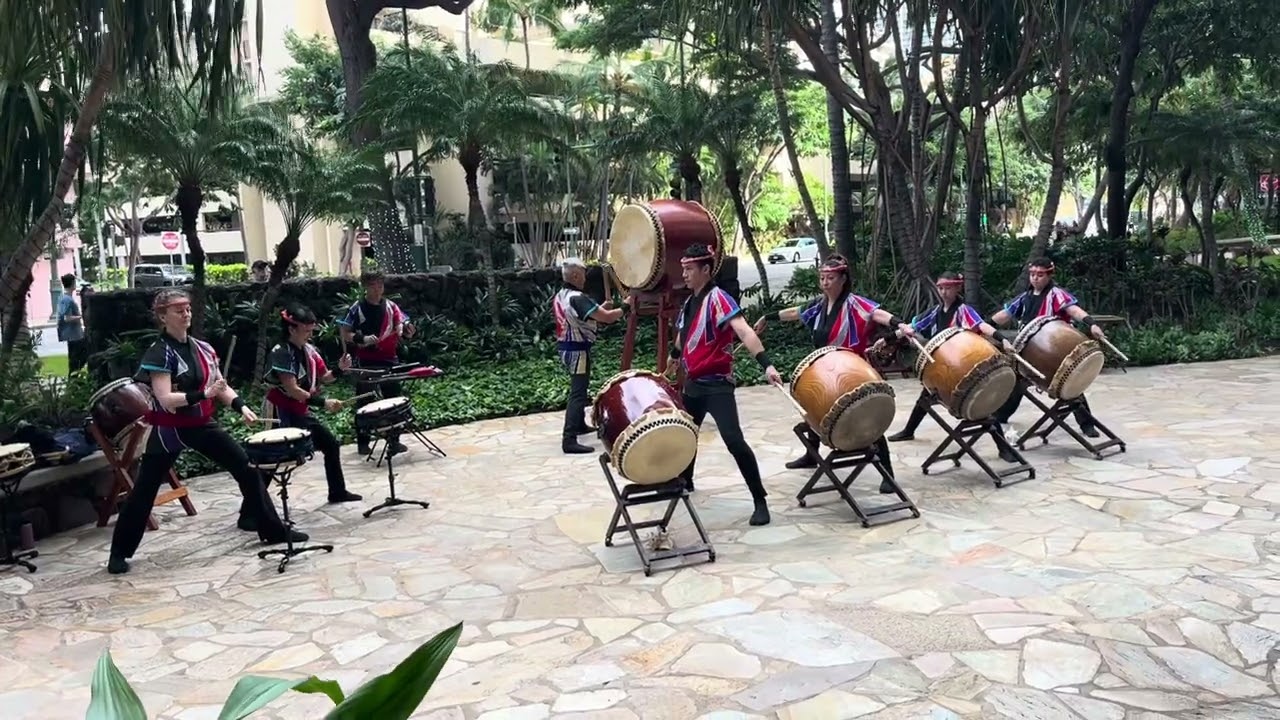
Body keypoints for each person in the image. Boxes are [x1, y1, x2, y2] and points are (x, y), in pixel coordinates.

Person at [107, 289, 304, 575]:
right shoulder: (159, 352)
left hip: (201, 424)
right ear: (163, 316)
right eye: (178, 310)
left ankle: (271, 530)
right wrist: (203, 394)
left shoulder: (202, 348)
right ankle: (118, 553)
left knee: (247, 469)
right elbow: (164, 398)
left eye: (187, 308)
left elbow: (219, 385)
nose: (185, 314)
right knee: (144, 492)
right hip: (169, 429)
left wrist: (241, 406)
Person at [753, 255, 915, 489]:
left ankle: (887, 474)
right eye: (822, 278)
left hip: (851, 370)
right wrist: (766, 317)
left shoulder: (855, 303)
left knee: (867, 416)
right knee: (811, 407)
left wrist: (899, 324)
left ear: (843, 279)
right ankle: (812, 455)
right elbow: (794, 312)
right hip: (823, 370)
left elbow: (877, 314)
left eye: (830, 278)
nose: (825, 282)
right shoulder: (818, 306)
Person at [672, 244, 783, 527]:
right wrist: (673, 361)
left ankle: (760, 500)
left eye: (689, 269)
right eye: (683, 268)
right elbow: (681, 339)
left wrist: (767, 364)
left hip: (717, 385)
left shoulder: (719, 298)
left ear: (706, 270)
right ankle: (685, 480)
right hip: (694, 384)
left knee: (734, 440)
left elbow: (744, 331)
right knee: (686, 434)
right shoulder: (689, 303)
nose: (684, 274)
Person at [988, 257, 1108, 446]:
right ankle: (1002, 415)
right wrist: (986, 326)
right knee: (1017, 382)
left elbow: (1074, 310)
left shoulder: (1056, 294)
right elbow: (1006, 315)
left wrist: (1091, 323)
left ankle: (1087, 424)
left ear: (1049, 275)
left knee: (1070, 385)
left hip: (1054, 347)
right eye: (1032, 274)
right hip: (1028, 350)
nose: (1035, 278)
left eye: (1040, 274)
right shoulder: (1025, 298)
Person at [885, 271, 1012, 442]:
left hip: (964, 364)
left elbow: (981, 325)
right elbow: (910, 327)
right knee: (925, 397)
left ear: (958, 288)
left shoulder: (963, 310)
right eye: (940, 287)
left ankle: (1004, 447)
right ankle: (908, 430)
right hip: (943, 365)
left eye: (948, 288)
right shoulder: (935, 312)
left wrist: (1002, 339)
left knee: (984, 409)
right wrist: (887, 339)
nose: (943, 292)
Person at [262, 304, 363, 506]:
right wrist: (324, 403)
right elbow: (292, 390)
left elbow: (324, 377)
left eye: (311, 330)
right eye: (306, 331)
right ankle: (250, 510)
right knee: (271, 459)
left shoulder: (309, 350)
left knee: (330, 445)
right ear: (291, 329)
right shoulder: (281, 352)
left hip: (300, 408)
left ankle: (337, 491)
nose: (310, 335)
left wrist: (341, 369)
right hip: (279, 409)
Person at [337, 269, 416, 456]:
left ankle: (394, 441)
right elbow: (344, 332)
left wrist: (407, 330)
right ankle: (363, 442)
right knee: (365, 401)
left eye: (380, 284)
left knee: (393, 400)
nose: (377, 289)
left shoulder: (391, 307)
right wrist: (361, 339)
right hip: (366, 361)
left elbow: (403, 324)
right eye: (373, 285)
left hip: (389, 359)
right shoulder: (357, 308)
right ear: (365, 286)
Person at [554, 258, 625, 454]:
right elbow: (607, 318)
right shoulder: (577, 297)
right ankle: (569, 438)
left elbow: (591, 314)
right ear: (575, 275)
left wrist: (604, 307)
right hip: (577, 350)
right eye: (583, 274)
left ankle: (578, 425)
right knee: (578, 393)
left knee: (580, 388)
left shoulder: (562, 295)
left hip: (566, 348)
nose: (585, 278)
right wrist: (626, 306)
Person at [56, 273, 88, 373]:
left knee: (75, 360)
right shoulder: (67, 300)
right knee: (78, 359)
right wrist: (81, 316)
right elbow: (66, 318)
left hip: (74, 334)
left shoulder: (64, 298)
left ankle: (75, 380)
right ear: (72, 283)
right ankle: (74, 380)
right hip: (74, 335)